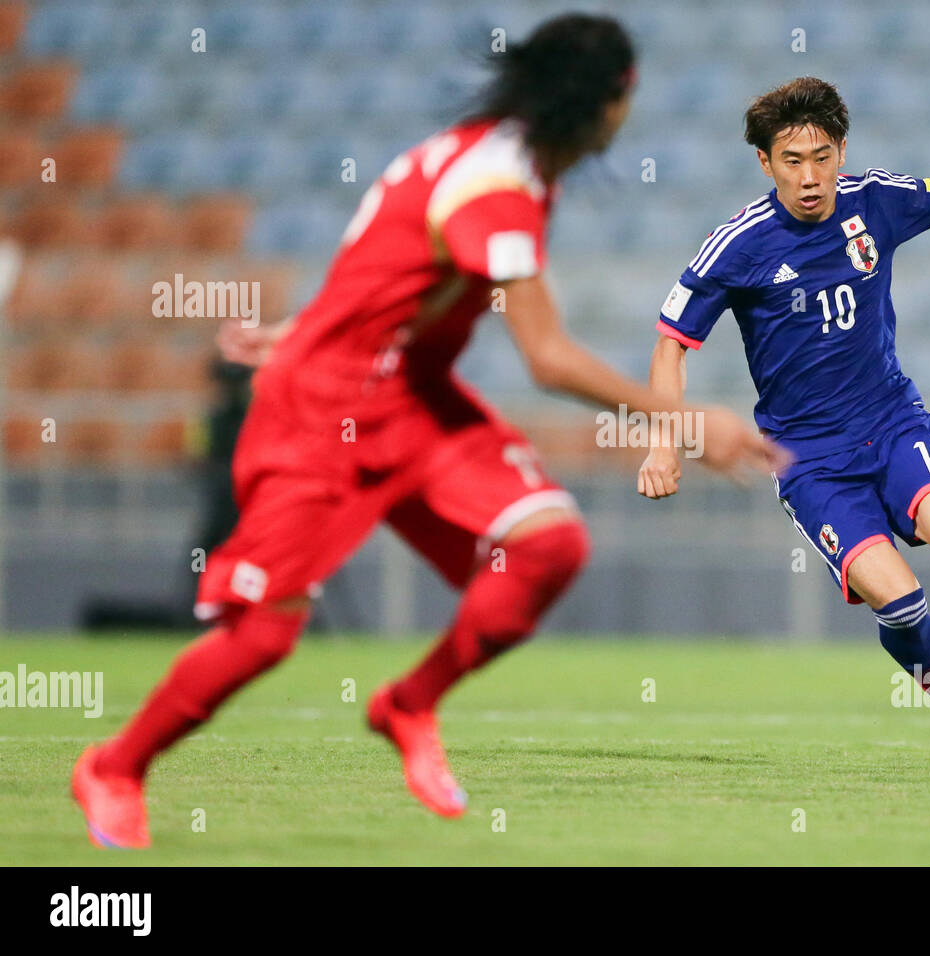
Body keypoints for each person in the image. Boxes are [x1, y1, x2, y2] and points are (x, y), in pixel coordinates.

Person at [73, 14, 783, 849]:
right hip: (319, 411)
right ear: (611, 103)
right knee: (264, 636)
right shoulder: (499, 190)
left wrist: (311, 323)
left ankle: (408, 704)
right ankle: (115, 767)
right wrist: (686, 419)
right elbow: (547, 358)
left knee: (549, 546)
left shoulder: (492, 155)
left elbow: (385, 254)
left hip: (408, 396)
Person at [638, 76, 930, 775]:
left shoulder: (876, 200)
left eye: (822, 156)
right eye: (792, 161)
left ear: (841, 151)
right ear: (765, 164)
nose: (810, 176)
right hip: (811, 463)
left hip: (891, 423)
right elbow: (672, 342)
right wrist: (660, 439)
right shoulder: (737, 246)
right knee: (903, 603)